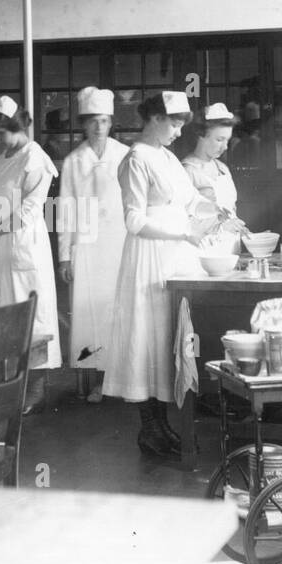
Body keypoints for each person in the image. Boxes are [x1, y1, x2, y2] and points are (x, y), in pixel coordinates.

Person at [105, 90, 201, 459]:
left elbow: (190, 199)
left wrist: (220, 211)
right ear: (156, 119)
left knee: (165, 339)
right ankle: (149, 429)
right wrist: (182, 233)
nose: (178, 131)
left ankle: (162, 427)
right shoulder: (135, 159)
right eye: (174, 123)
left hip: (173, 257)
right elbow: (134, 220)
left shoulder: (167, 157)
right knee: (146, 337)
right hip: (148, 257)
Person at [0, 96, 62, 407]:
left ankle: (34, 388)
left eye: (2, 132)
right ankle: (8, 384)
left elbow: (30, 209)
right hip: (1, 244)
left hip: (24, 243)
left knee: (32, 316)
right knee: (4, 313)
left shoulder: (36, 158)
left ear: (17, 127)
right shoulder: (3, 158)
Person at [58, 87, 129, 403]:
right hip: (86, 246)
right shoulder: (74, 160)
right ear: (84, 126)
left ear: (111, 122)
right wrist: (64, 256)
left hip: (119, 243)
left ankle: (124, 380)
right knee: (89, 315)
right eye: (92, 122)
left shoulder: (125, 154)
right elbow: (66, 208)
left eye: (104, 121)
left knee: (118, 312)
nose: (99, 127)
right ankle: (96, 382)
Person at [182, 101, 249, 252]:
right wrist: (220, 226)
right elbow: (182, 220)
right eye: (219, 140)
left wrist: (240, 228)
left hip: (230, 247)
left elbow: (230, 210)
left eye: (227, 140)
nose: (225, 147)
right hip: (203, 250)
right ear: (201, 135)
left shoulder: (222, 168)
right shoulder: (188, 170)